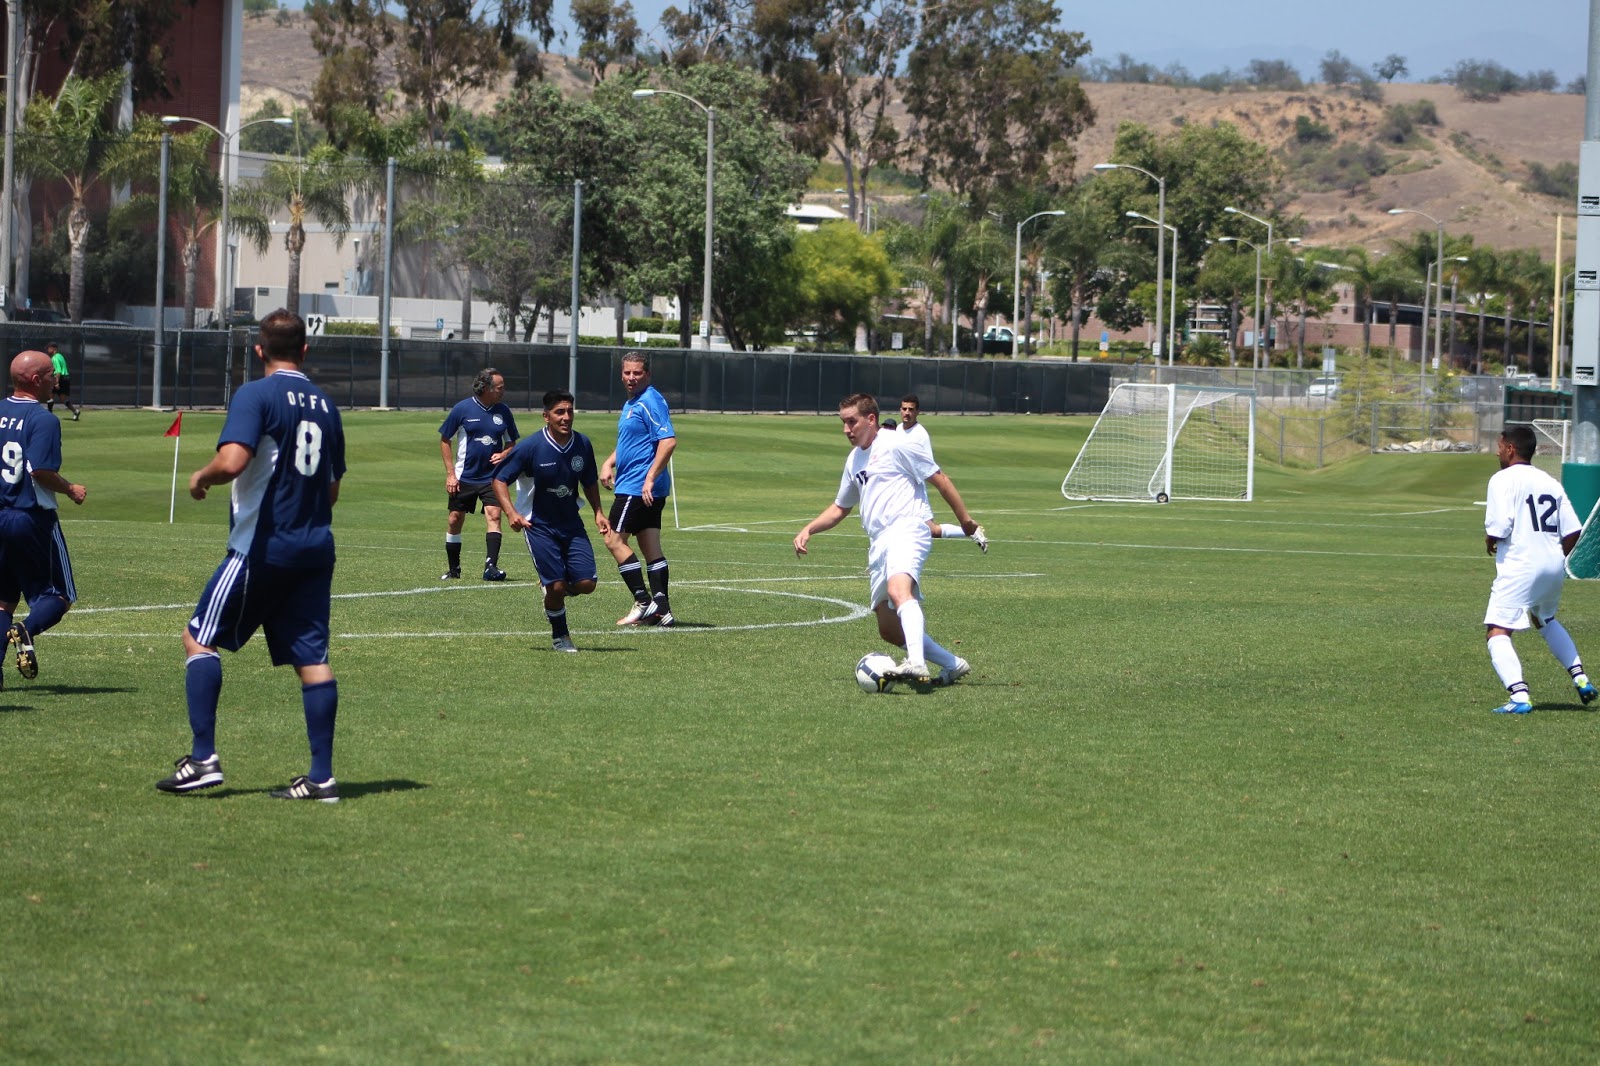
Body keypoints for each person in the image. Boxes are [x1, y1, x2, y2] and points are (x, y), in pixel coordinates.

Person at [155, 309, 348, 802]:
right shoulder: (326, 405)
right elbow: (330, 491)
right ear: (305, 350)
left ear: (259, 350)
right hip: (315, 548)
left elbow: (234, 460)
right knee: (313, 659)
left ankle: (203, 759)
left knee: (198, 638)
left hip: (261, 547)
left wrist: (201, 476)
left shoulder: (255, 394)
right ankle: (322, 777)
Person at [793, 392, 982, 685]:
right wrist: (809, 529)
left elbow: (940, 479)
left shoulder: (897, 445)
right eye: (843, 423)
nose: (846, 430)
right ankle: (952, 663)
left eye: (851, 422)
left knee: (899, 590)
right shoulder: (854, 460)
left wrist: (965, 521)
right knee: (889, 629)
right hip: (879, 541)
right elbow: (841, 507)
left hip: (907, 528)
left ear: (871, 419)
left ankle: (917, 663)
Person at [1482, 423, 1598, 714]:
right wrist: (1555, 559)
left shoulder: (1502, 479)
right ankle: (1581, 678)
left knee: (1497, 630)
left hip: (1521, 564)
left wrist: (1490, 538)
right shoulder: (1550, 482)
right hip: (1553, 564)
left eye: (1499, 446)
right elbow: (1573, 532)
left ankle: (1519, 696)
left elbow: (1500, 525)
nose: (1497, 451)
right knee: (1545, 619)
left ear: (1510, 448)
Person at [493, 389, 611, 652]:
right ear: (546, 416)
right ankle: (561, 636)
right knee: (556, 585)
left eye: (569, 411)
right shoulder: (530, 447)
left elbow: (589, 481)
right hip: (539, 526)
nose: (566, 417)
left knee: (586, 584)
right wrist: (512, 512)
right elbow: (499, 479)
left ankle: (553, 594)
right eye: (559, 412)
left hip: (571, 522)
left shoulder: (582, 443)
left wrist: (598, 513)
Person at [0, 349, 87, 684]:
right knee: (59, 596)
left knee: (4, 601)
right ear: (37, 381)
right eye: (52, 374)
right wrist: (71, 490)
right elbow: (40, 471)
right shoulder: (43, 419)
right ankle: (27, 629)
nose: (57, 379)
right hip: (30, 519)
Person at [600, 352, 677, 626]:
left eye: (637, 373)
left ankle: (643, 601)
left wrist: (649, 478)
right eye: (627, 373)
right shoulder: (632, 402)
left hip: (636, 487)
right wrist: (609, 462)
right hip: (639, 486)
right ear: (622, 374)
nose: (631, 378)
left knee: (613, 540)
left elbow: (668, 442)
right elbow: (630, 443)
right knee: (650, 547)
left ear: (648, 375)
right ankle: (661, 609)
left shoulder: (650, 400)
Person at [439, 368, 519, 581]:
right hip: (463, 477)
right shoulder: (462, 409)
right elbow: (445, 440)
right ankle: (454, 570)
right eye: (500, 387)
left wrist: (504, 454)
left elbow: (512, 443)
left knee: (494, 516)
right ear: (486, 388)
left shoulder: (503, 411)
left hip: (492, 477)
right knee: (455, 519)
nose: (503, 391)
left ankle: (490, 568)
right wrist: (450, 475)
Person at [898, 394, 987, 553]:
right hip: (899, 488)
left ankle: (971, 530)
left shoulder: (920, 434)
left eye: (911, 409)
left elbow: (929, 467)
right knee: (927, 530)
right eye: (904, 409)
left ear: (917, 412)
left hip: (915, 490)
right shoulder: (898, 429)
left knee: (931, 531)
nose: (907, 413)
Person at [45, 343, 80, 421]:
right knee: (62, 398)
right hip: (66, 378)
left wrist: (57, 382)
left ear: (53, 349)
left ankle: (49, 415)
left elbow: (58, 371)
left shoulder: (55, 358)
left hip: (60, 379)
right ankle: (75, 411)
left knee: (50, 396)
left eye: (49, 348)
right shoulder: (60, 356)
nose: (48, 350)